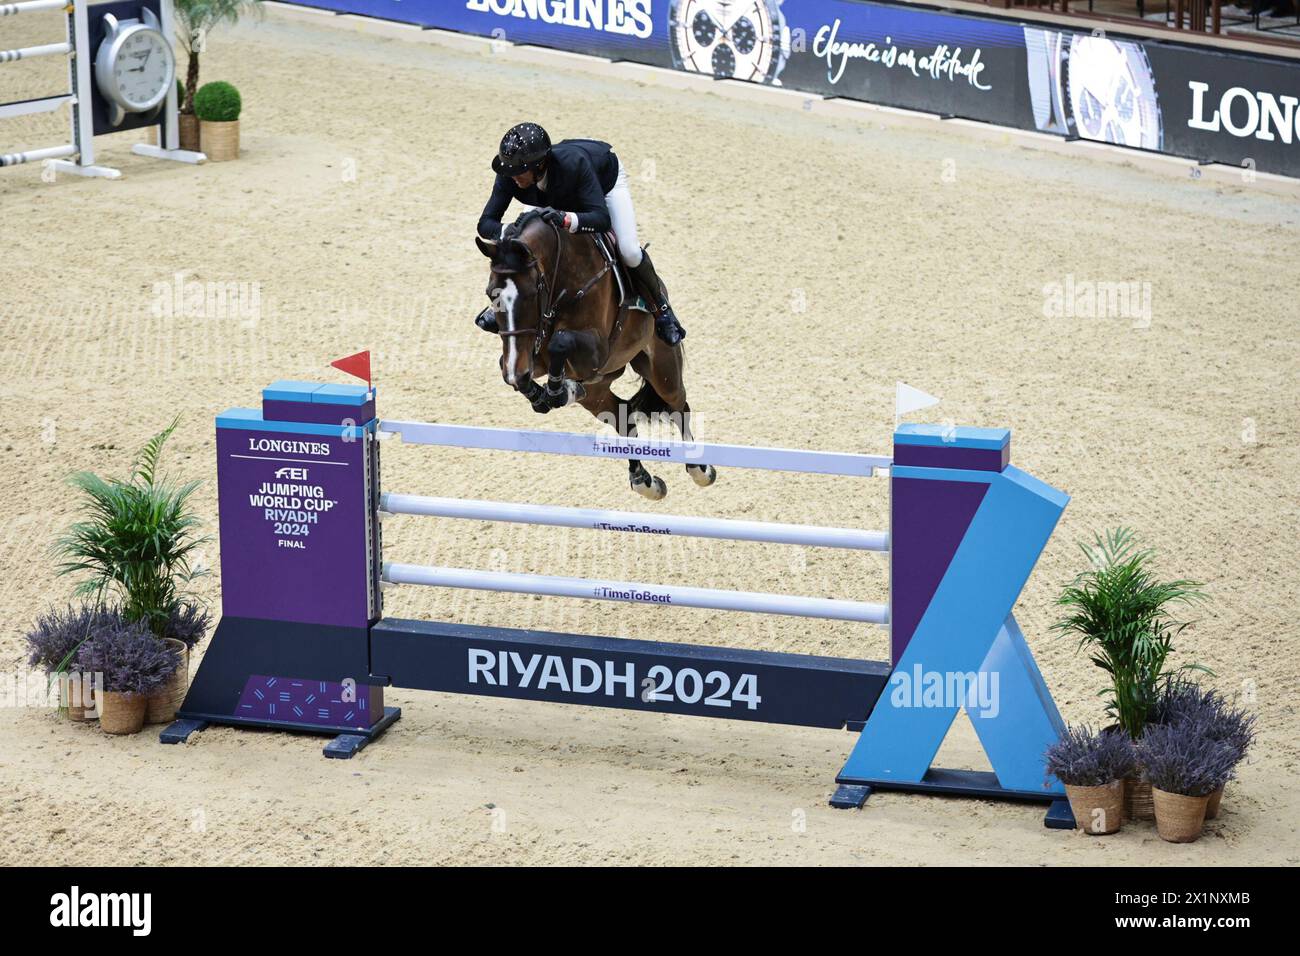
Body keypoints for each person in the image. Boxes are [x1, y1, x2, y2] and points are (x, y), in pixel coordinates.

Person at [474, 122, 684, 345]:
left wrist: (567, 219)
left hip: (603, 179)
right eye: (510, 170)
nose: (513, 176)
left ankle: (662, 310)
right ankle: (499, 307)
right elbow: (486, 223)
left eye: (519, 171)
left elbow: (601, 219)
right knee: (522, 243)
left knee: (629, 250)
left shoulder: (574, 166)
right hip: (550, 196)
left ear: (539, 165)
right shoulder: (510, 173)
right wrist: (511, 231)